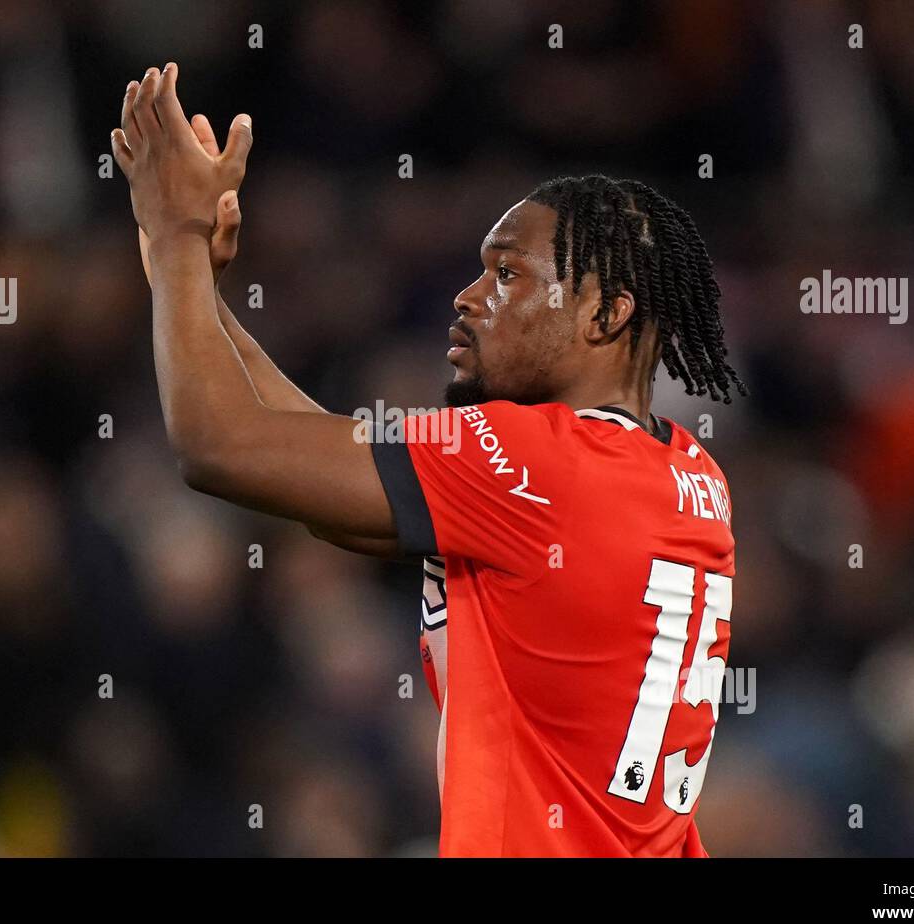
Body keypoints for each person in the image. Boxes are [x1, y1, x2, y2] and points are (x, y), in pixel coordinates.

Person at [113, 62, 744, 856]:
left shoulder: (541, 463)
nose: (468, 295)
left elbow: (218, 444)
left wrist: (174, 238)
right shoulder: (687, 473)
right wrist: (196, 285)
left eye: (508, 273)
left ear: (605, 313)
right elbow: (320, 474)